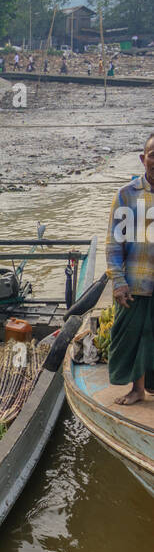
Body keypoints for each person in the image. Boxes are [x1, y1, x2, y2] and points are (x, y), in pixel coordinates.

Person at [105, 134, 154, 405]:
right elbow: (114, 244)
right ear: (143, 158)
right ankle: (137, 389)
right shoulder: (127, 195)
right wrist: (118, 281)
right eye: (153, 154)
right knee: (133, 336)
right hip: (136, 280)